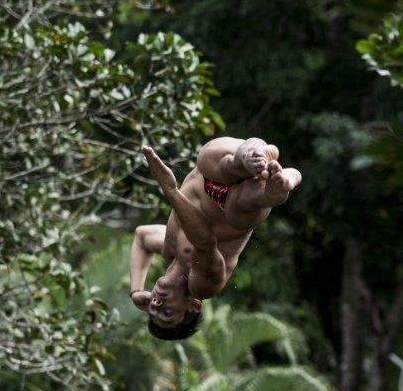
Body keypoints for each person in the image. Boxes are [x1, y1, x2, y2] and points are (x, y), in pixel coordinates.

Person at [128, 138, 301, 340]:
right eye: (167, 314)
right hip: (242, 202)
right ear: (193, 306)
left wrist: (136, 291)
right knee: (237, 208)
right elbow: (204, 242)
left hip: (217, 168)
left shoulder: (169, 250)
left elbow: (141, 237)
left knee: (209, 160)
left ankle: (254, 156)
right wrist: (171, 191)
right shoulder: (202, 286)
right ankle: (278, 187)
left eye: (152, 309)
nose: (157, 304)